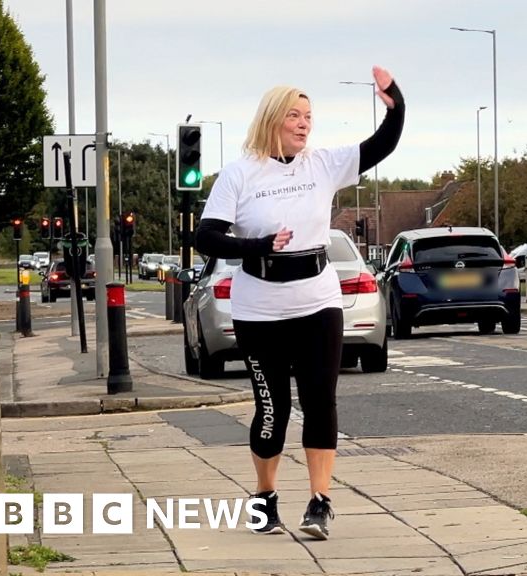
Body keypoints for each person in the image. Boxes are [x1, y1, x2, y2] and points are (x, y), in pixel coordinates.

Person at [194, 66, 404, 539]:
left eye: (309, 115)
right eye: (294, 115)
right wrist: (259, 246)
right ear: (273, 119)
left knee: (319, 401)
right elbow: (206, 236)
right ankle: (265, 496)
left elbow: (382, 146)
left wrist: (396, 104)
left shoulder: (322, 163)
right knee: (273, 410)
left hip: (317, 300)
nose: (304, 123)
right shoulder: (240, 174)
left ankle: (319, 501)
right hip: (259, 307)